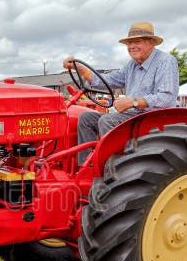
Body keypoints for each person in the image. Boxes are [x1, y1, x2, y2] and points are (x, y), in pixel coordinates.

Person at [63, 21, 179, 163]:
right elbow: (108, 80)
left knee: (107, 120)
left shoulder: (166, 61)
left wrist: (132, 102)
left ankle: (112, 168)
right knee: (86, 118)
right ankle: (88, 165)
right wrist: (81, 69)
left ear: (151, 43)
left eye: (137, 42)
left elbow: (166, 97)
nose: (131, 46)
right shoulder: (132, 65)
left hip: (153, 118)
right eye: (129, 43)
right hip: (133, 116)